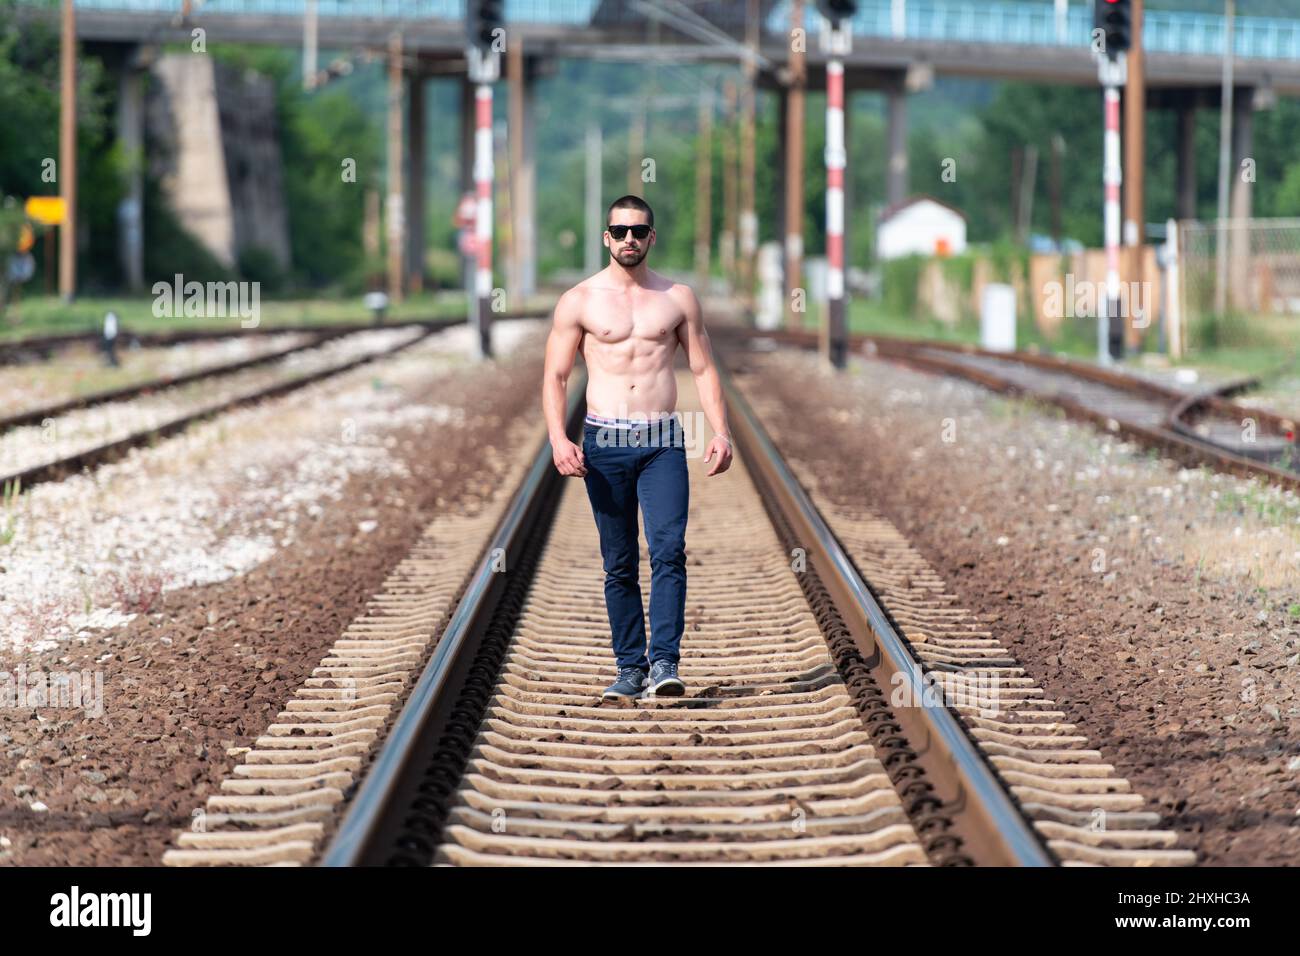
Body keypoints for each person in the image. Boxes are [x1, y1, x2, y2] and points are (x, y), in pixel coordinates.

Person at [541, 195, 733, 700]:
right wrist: (558, 437)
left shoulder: (678, 298)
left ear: (652, 237)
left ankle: (665, 663)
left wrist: (721, 430)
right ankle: (630, 668)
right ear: (606, 237)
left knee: (669, 551)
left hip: (662, 439)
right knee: (619, 561)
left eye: (638, 231)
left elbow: (703, 368)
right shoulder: (579, 301)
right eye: (620, 230)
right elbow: (556, 376)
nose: (629, 238)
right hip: (604, 440)